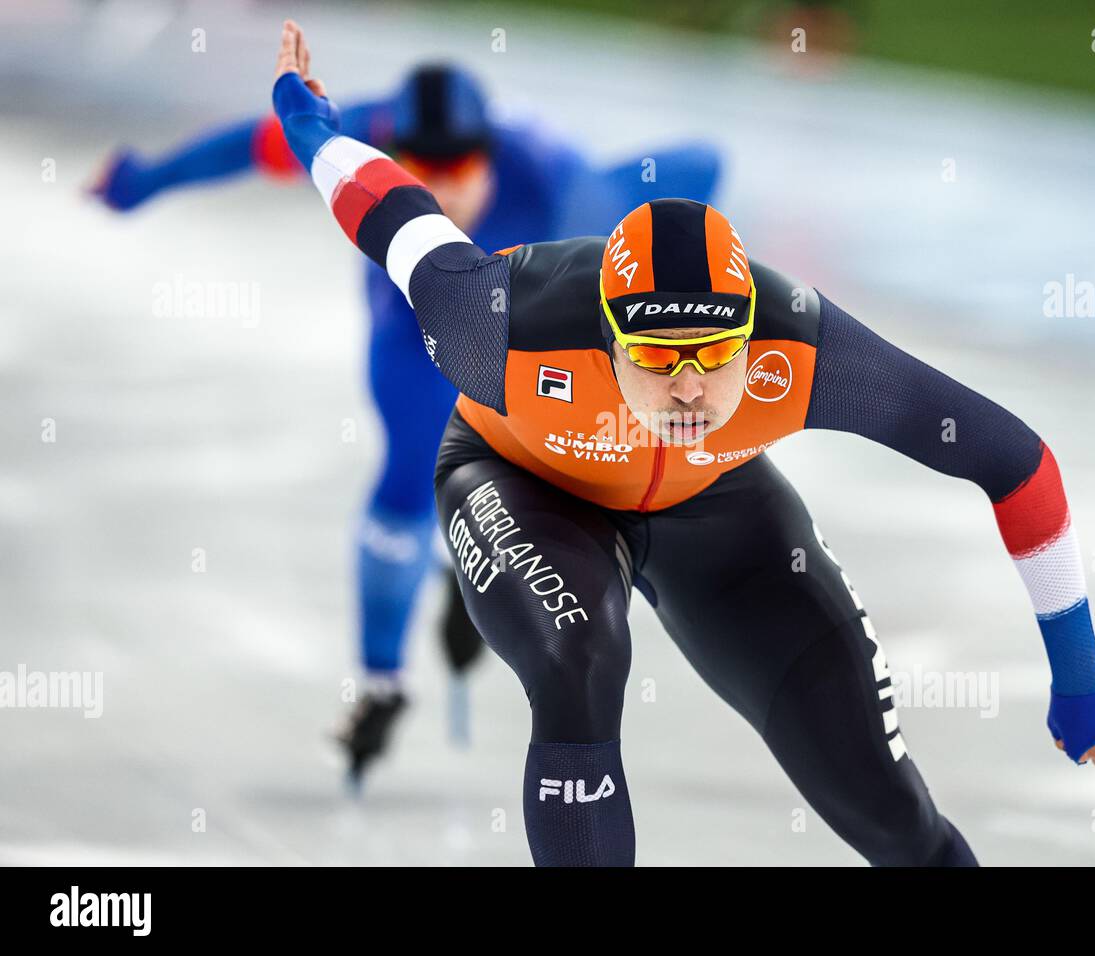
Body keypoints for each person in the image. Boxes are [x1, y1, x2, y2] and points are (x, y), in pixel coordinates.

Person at [269, 20, 1095, 866]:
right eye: (655, 357)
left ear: (753, 340)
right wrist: (311, 123)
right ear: (606, 337)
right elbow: (394, 215)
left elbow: (1015, 461)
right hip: (522, 482)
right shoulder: (495, 321)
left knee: (890, 814)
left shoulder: (808, 354)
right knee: (581, 655)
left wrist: (1081, 674)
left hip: (711, 505)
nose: (687, 386)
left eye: (714, 356)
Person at [91, 58, 723, 784]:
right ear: (394, 154)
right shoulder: (362, 135)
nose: (444, 186)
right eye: (422, 166)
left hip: (526, 339)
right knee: (404, 484)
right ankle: (381, 683)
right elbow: (255, 145)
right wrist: (145, 181)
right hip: (411, 328)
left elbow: (701, 165)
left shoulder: (559, 184)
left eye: (461, 166)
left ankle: (470, 559)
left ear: (491, 155)